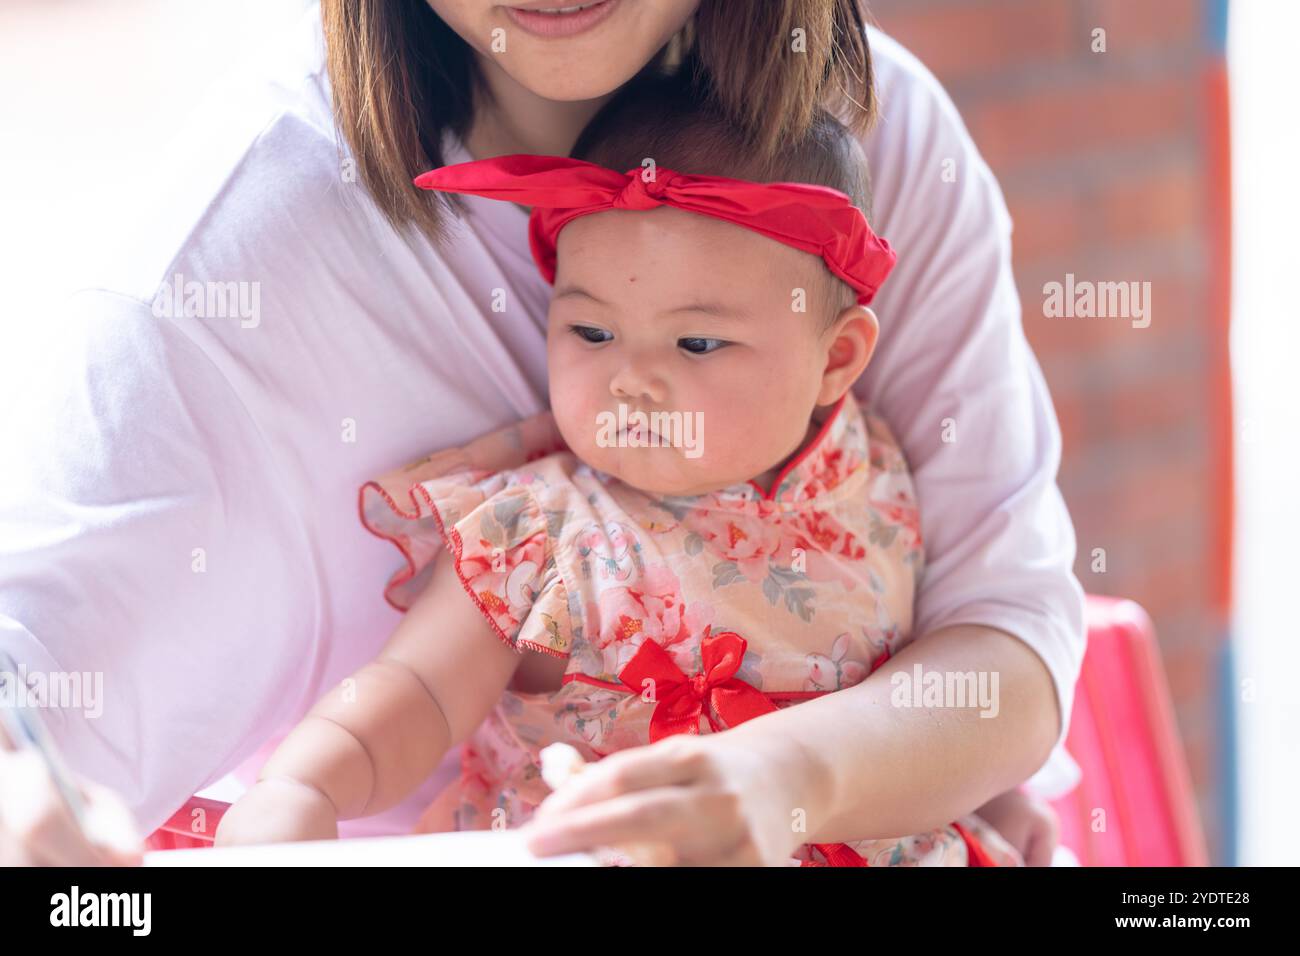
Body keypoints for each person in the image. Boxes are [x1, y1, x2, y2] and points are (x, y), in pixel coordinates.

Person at [0, 0, 1083, 864]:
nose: (635, 383)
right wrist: (293, 794)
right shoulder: (201, 286)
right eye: (591, 327)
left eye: (701, 343)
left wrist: (807, 775)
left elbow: (1006, 639)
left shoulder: (872, 141)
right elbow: (30, 708)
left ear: (840, 353)